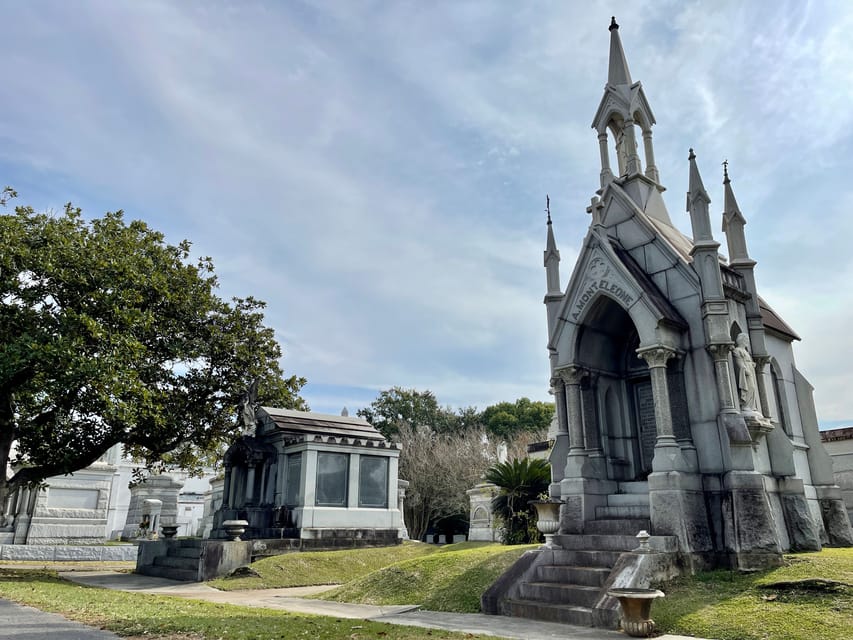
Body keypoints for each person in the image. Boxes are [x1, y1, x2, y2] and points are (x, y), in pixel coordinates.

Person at [732, 333, 760, 412]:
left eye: (747, 339)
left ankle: (751, 405)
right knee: (749, 387)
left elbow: (748, 361)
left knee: (753, 388)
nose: (747, 341)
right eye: (746, 339)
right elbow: (738, 361)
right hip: (745, 370)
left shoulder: (746, 351)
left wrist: (751, 364)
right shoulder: (737, 350)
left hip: (750, 369)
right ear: (741, 340)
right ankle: (745, 405)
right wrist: (744, 368)